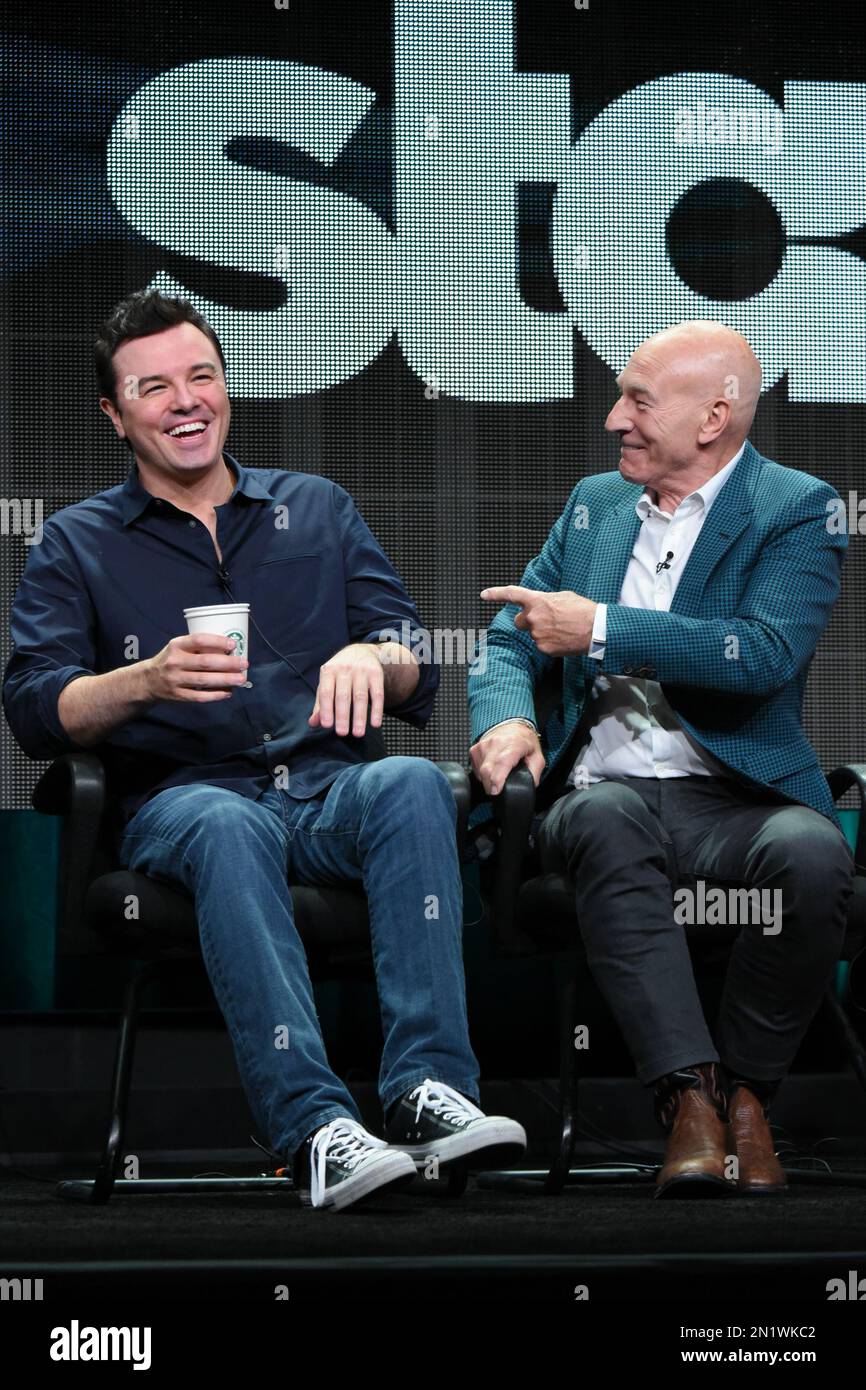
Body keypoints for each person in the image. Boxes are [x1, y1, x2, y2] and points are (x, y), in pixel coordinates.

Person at [3, 288, 525, 1211]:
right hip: (181, 800)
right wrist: (144, 681)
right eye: (154, 387)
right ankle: (316, 1129)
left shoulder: (313, 508)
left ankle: (424, 1092)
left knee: (410, 781)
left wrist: (377, 655)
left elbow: (413, 656)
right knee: (224, 821)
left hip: (326, 791)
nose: (185, 401)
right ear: (115, 415)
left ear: (226, 387)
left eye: (201, 376)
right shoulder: (75, 542)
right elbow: (36, 709)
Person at [469, 320, 855, 1198]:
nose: (614, 420)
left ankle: (749, 1095)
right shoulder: (597, 504)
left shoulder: (796, 508)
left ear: (713, 418)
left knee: (811, 852)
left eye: (638, 400)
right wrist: (507, 722)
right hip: (606, 795)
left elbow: (760, 653)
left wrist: (602, 629)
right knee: (605, 818)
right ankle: (686, 1098)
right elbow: (508, 637)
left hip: (734, 798)